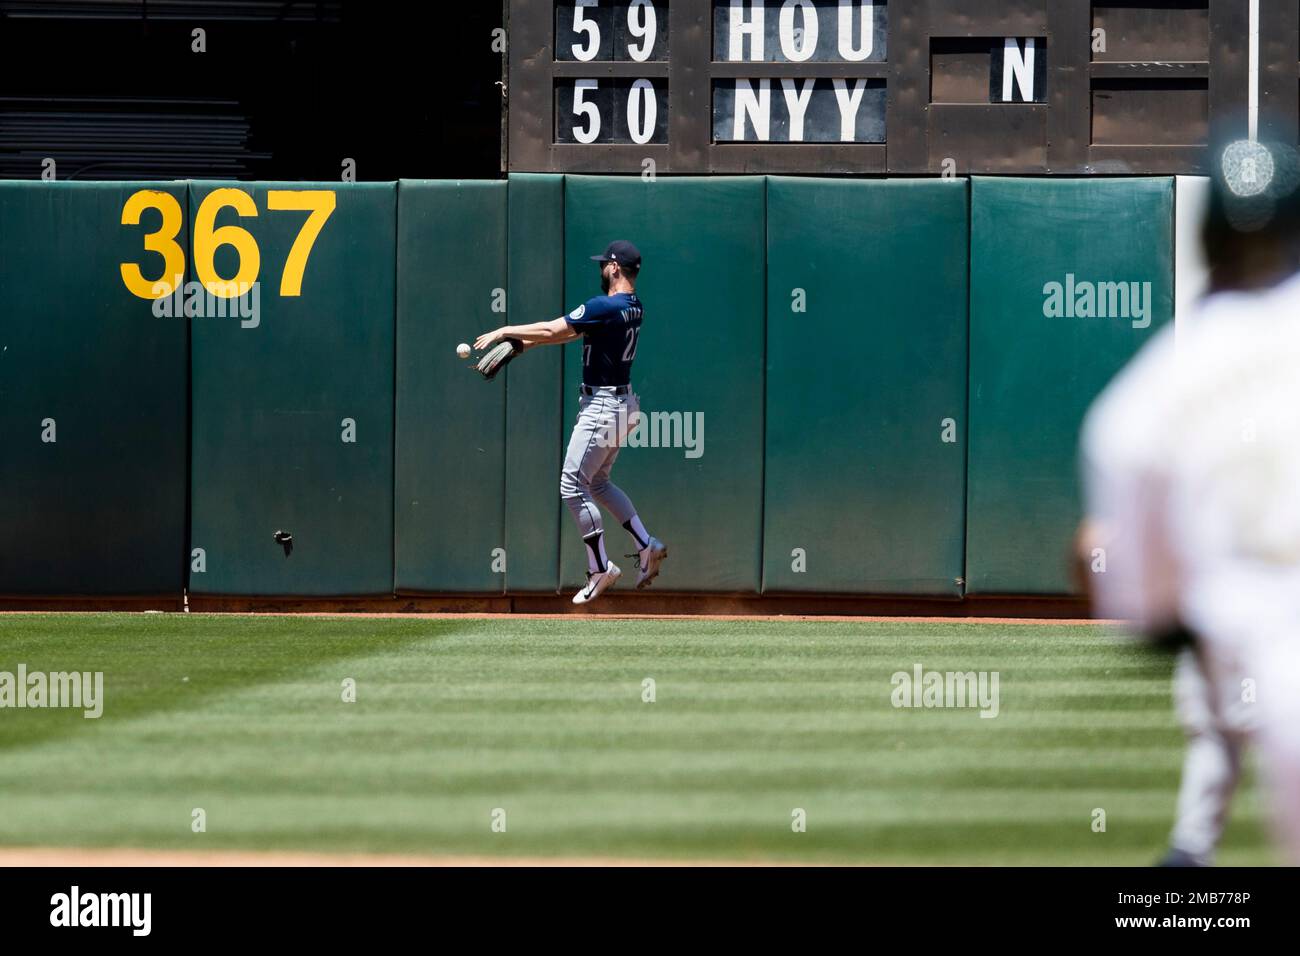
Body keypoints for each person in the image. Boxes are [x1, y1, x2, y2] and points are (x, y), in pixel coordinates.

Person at [1077, 138, 1300, 865]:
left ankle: (1187, 867)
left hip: (1233, 625)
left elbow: (1145, 609)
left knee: (1213, 728)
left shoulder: (1148, 394)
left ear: (1204, 234)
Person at [474, 240, 668, 604]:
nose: (599, 271)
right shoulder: (632, 306)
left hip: (603, 405)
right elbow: (568, 333)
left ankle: (600, 568)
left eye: (602, 265)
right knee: (599, 485)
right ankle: (646, 544)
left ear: (613, 267)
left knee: (572, 486)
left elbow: (552, 329)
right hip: (624, 403)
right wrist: (522, 345)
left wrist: (507, 331)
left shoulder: (604, 305)